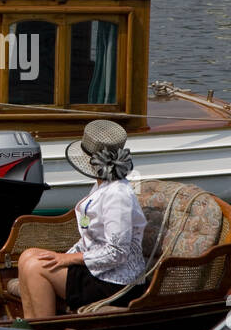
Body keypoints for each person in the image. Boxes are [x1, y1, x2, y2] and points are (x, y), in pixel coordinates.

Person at [15, 121, 146, 319]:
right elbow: (92, 239)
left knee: (35, 268)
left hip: (115, 282)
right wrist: (64, 257)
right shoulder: (102, 187)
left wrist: (68, 259)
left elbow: (118, 252)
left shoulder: (118, 195)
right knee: (27, 256)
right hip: (97, 270)